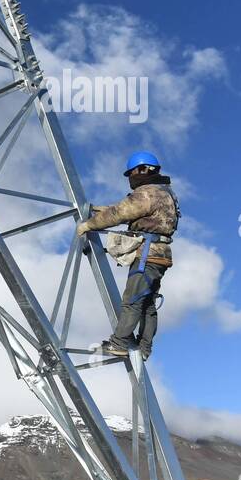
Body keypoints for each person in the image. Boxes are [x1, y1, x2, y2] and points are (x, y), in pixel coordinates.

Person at [76, 151, 179, 360]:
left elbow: (120, 214)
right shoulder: (164, 193)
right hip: (160, 255)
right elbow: (130, 211)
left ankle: (120, 343)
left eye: (132, 172)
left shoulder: (147, 193)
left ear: (144, 170)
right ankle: (144, 348)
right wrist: (100, 209)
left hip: (147, 255)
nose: (131, 177)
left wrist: (88, 224)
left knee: (133, 300)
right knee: (147, 304)